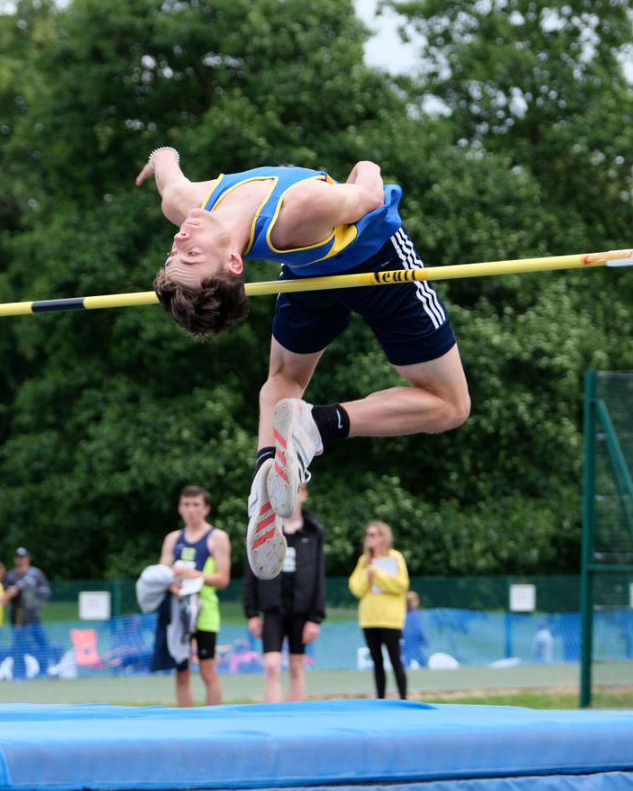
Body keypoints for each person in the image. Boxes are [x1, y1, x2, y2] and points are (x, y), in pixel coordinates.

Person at [136, 150, 471, 581]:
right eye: (192, 254)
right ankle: (316, 425)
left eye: (174, 254)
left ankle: (264, 476)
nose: (180, 241)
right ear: (234, 264)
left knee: (283, 379)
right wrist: (367, 165)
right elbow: (369, 194)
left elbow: (168, 174)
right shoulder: (302, 208)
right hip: (376, 263)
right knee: (450, 405)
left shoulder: (186, 205)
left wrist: (160, 158)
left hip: (308, 270)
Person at [243, 484, 326, 702]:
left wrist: (316, 617)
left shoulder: (314, 530)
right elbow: (252, 571)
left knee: (297, 666)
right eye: (284, 491)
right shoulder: (264, 528)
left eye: (295, 491)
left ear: (304, 495)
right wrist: (251, 613)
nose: (290, 497)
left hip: (301, 609)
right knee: (271, 665)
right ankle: (273, 715)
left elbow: (318, 575)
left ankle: (294, 718)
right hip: (273, 608)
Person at [158, 485, 231, 707]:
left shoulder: (217, 538)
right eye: (186, 504)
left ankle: (213, 721)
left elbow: (223, 579)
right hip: (179, 612)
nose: (191, 510)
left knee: (207, 671)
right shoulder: (173, 539)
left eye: (196, 505)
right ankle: (185, 723)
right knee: (181, 671)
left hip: (205, 612)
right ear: (180, 508)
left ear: (206, 509)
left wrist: (194, 575)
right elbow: (162, 573)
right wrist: (171, 586)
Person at [348, 520, 409, 699]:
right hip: (369, 618)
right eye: (367, 534)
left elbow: (401, 585)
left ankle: (403, 698)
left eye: (373, 534)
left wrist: (378, 575)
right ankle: (380, 698)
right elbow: (356, 588)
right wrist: (368, 575)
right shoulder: (364, 561)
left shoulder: (395, 558)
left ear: (383, 537)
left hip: (390, 619)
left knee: (396, 660)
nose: (369, 538)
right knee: (377, 662)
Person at [2, 547, 53, 677]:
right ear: (14, 560)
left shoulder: (36, 574)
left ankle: (44, 670)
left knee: (41, 641)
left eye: (23, 558)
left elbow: (46, 591)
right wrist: (15, 590)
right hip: (18, 614)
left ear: (28, 559)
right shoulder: (11, 576)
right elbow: (5, 594)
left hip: (34, 613)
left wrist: (35, 593)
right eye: (18, 558)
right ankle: (20, 673)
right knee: (20, 643)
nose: (21, 560)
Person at [401, 590, 430, 669]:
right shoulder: (415, 614)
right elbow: (419, 630)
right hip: (415, 648)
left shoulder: (401, 615)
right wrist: (425, 641)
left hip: (403, 648)